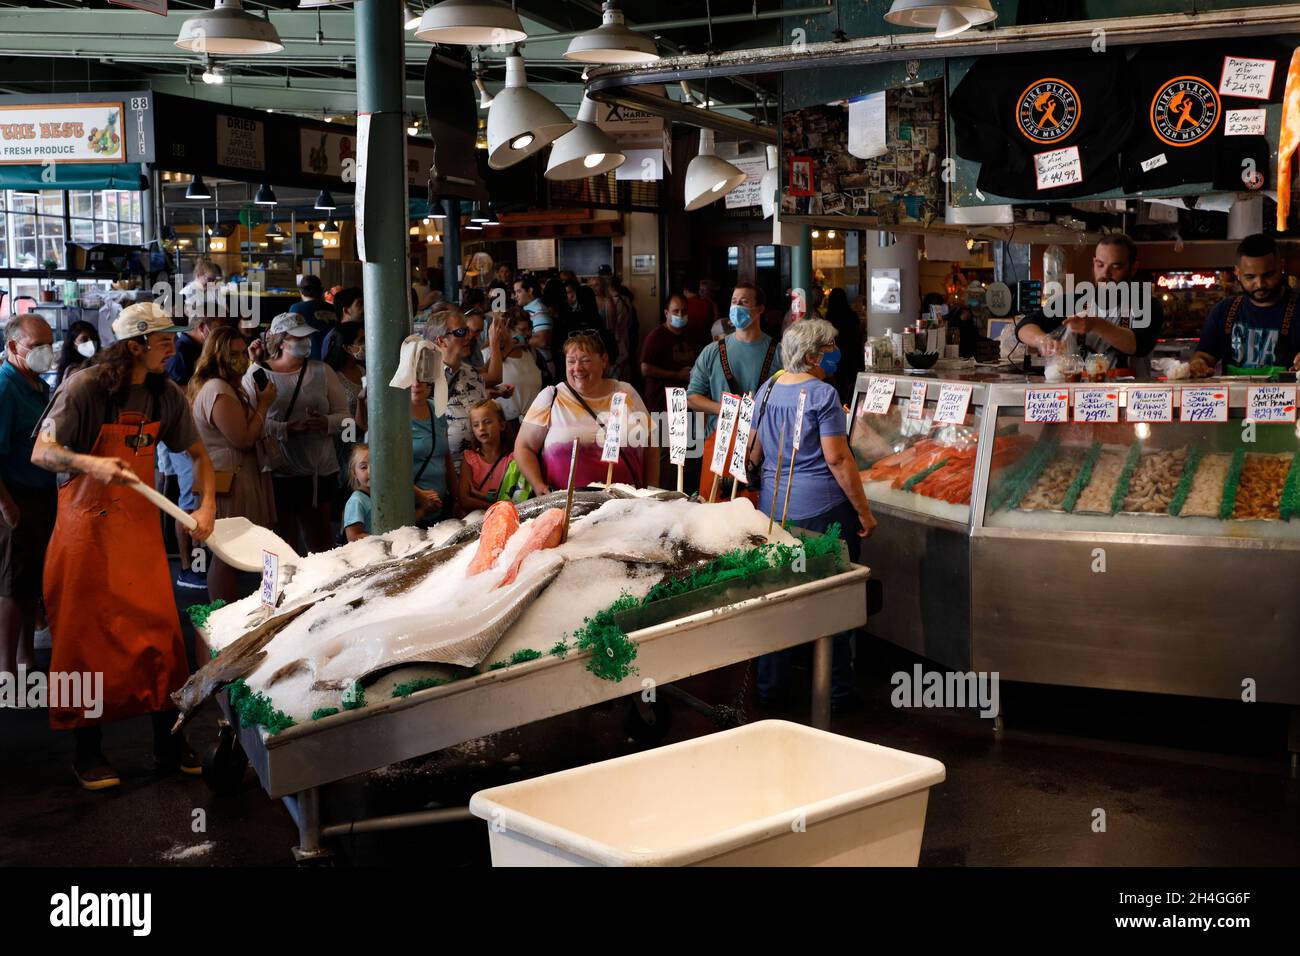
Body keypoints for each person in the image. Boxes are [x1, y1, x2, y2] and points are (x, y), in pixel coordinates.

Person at [32, 302, 216, 789]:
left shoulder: (165, 393)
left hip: (137, 540)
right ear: (135, 345)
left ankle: (168, 743)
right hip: (84, 538)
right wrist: (91, 465)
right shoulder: (85, 387)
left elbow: (197, 455)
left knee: (161, 641)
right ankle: (87, 753)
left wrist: (206, 508)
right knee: (83, 646)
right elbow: (42, 451)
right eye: (162, 342)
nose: (171, 349)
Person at [746, 319, 876, 712]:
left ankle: (771, 691)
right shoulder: (824, 394)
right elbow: (837, 458)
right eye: (831, 346)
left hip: (775, 511)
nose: (836, 352)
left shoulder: (767, 389)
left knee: (779, 596)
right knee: (832, 600)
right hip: (825, 514)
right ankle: (836, 693)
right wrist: (864, 512)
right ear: (813, 355)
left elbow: (752, 454)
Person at [188, 326, 277, 603]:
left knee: (250, 547)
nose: (240, 359)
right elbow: (242, 439)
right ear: (217, 356)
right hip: (232, 480)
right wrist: (264, 405)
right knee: (227, 554)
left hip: (238, 475)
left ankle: (258, 606)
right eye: (233, 354)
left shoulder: (225, 386)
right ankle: (223, 615)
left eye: (242, 353)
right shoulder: (218, 390)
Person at [248, 312, 348, 556]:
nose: (305, 343)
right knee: (281, 542)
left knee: (320, 540)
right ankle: (281, 591)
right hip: (278, 472)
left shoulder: (322, 371)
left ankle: (322, 591)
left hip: (319, 471)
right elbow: (250, 423)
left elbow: (345, 417)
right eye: (298, 338)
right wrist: (286, 429)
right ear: (281, 341)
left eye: (307, 337)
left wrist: (323, 422)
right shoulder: (257, 374)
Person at [515, 332, 659, 493]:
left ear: (604, 360)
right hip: (567, 505)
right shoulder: (552, 397)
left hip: (627, 505)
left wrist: (651, 491)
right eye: (571, 361)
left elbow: (651, 446)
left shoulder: (626, 392)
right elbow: (524, 447)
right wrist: (537, 484)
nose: (577, 368)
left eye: (585, 360)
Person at [0, 316, 58, 683]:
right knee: (11, 585)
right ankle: (6, 672)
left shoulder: (35, 384)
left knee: (27, 586)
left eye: (49, 344)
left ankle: (26, 661)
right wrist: (6, 505)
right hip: (15, 498)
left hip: (40, 495)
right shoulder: (5, 388)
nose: (46, 353)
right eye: (36, 346)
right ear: (12, 348)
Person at [1016, 234, 1164, 377]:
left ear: (1133, 268)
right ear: (1094, 263)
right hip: (1083, 398)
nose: (1105, 273)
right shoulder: (1073, 302)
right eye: (1100, 265)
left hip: (1129, 398)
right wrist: (1042, 340)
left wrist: (1095, 324)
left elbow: (1138, 345)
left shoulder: (1147, 305)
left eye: (1116, 267)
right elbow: (1024, 325)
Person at [688, 283, 779, 499]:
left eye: (744, 302)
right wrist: (726, 409)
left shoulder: (778, 352)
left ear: (760, 309)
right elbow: (692, 398)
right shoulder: (712, 351)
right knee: (714, 517)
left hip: (763, 447)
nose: (737, 306)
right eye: (734, 302)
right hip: (719, 444)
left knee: (758, 522)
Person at [164, 308, 230, 591]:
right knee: (190, 504)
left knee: (195, 500)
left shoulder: (195, 350)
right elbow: (180, 399)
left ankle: (198, 566)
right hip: (183, 440)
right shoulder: (181, 354)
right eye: (219, 323)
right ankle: (189, 568)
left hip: (194, 439)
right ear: (203, 325)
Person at [1190, 233, 1300, 377]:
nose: (1260, 284)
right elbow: (1204, 357)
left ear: (1282, 267)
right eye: (1250, 277)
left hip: (1285, 399)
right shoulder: (1223, 311)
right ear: (1238, 273)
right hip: (1234, 398)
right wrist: (1198, 364)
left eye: (1268, 275)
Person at [425, 308, 507, 470]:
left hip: (478, 473)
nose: (469, 337)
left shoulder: (472, 374)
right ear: (441, 341)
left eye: (467, 331)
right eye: (461, 332)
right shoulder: (424, 380)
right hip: (444, 475)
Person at [324, 321, 367, 484]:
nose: (365, 345)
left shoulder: (364, 371)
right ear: (347, 348)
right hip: (341, 443)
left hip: (363, 442)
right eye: (361, 341)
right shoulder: (332, 376)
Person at [486, 312, 543, 427]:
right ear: (507, 330)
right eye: (522, 330)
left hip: (532, 421)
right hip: (504, 424)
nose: (527, 334)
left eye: (529, 329)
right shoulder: (488, 353)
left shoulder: (530, 352)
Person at [459, 399, 515, 511]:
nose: (481, 428)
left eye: (487, 422)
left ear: (502, 425)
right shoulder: (469, 458)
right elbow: (464, 500)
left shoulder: (513, 458)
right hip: (478, 518)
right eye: (475, 425)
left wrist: (478, 496)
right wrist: (496, 508)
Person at [823, 288, 864, 405]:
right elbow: (858, 334)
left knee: (840, 383)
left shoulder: (829, 316)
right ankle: (853, 406)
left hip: (837, 354)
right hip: (853, 353)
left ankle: (841, 405)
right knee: (853, 382)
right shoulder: (852, 315)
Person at [290, 274, 339, 361]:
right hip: (335, 357)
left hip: (311, 358)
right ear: (321, 291)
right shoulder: (333, 308)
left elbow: (291, 336)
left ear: (301, 291)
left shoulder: (296, 308)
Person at [514, 276, 553, 375]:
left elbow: (542, 341)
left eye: (519, 291)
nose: (515, 296)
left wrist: (516, 341)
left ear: (530, 290)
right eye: (515, 292)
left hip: (543, 365)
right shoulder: (528, 309)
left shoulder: (539, 310)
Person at [319, 286, 363, 359]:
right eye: (360, 304)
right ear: (346, 310)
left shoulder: (362, 330)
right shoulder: (333, 338)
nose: (365, 308)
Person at [55, 319, 101, 386]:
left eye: (93, 338)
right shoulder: (74, 372)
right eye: (84, 339)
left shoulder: (96, 364)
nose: (91, 343)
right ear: (73, 344)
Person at [342, 443, 372, 542]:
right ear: (354, 473)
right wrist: (383, 538)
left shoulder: (385, 496)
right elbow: (353, 537)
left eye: (376, 465)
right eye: (363, 467)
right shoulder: (357, 501)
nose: (371, 471)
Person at [685, 279, 719, 353]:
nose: (701, 292)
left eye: (705, 290)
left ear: (711, 292)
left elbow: (715, 326)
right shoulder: (699, 303)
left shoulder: (712, 305)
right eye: (700, 289)